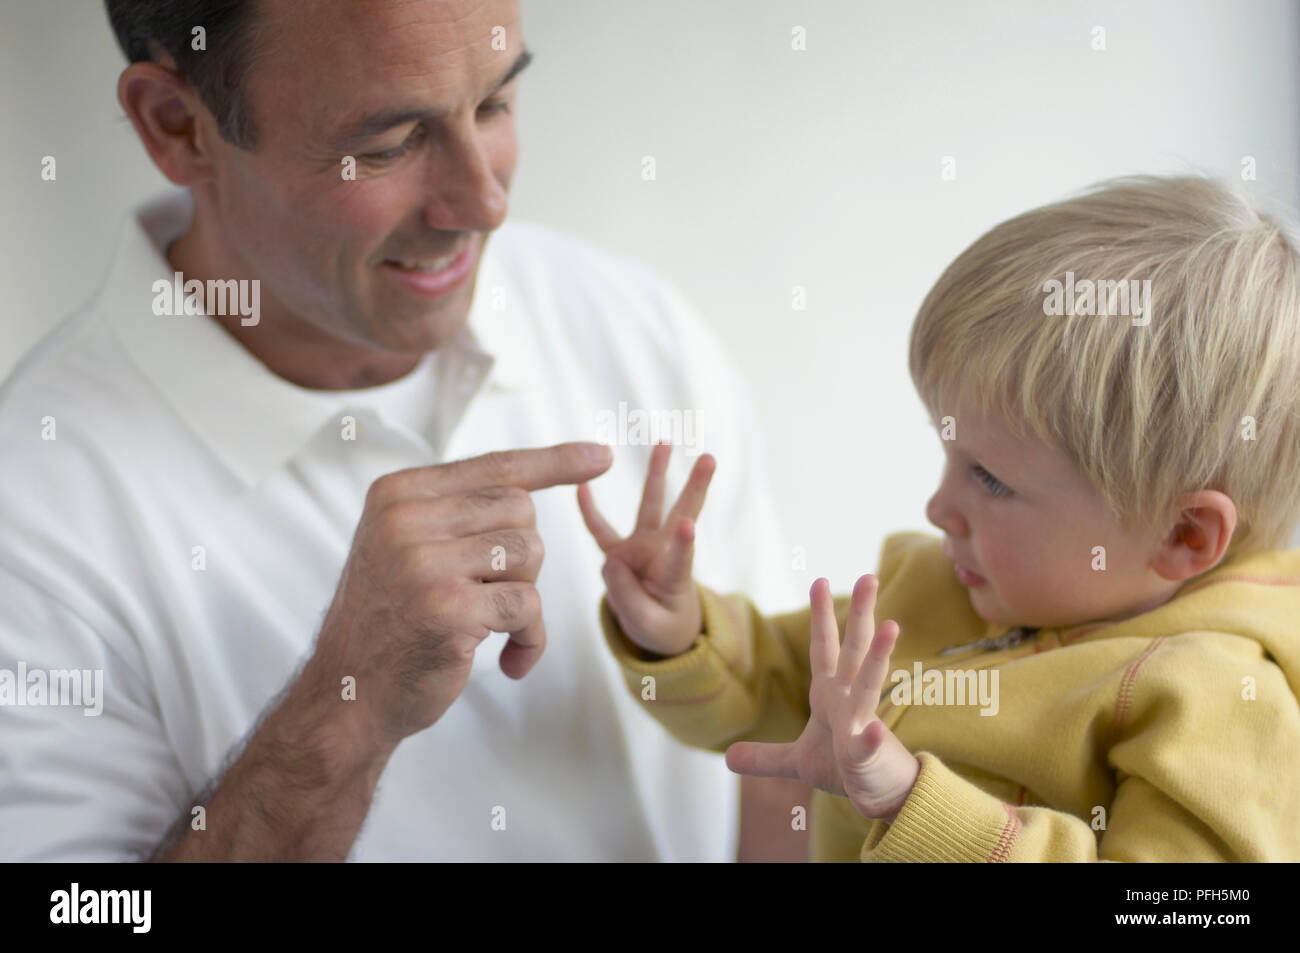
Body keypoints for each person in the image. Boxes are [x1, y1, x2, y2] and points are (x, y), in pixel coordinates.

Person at [0, 0, 809, 861]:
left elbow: (779, 742)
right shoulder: (31, 517)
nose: (485, 202)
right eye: (389, 143)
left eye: (495, 103)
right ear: (177, 126)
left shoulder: (632, 326)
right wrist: (343, 711)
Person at [580, 174, 1300, 861]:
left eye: (988, 477)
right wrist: (678, 631)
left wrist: (914, 808)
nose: (936, 507)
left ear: (1184, 535)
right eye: (948, 451)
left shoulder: (1220, 701)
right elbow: (774, 682)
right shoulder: (925, 590)